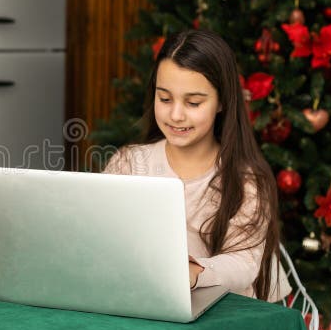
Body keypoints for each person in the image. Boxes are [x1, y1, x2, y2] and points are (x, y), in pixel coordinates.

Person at [104, 29, 290, 302]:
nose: (176, 115)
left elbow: (243, 263)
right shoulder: (129, 163)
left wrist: (192, 273)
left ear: (222, 102)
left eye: (193, 102)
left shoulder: (245, 180)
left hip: (224, 318)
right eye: (164, 99)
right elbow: (102, 235)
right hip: (147, 306)